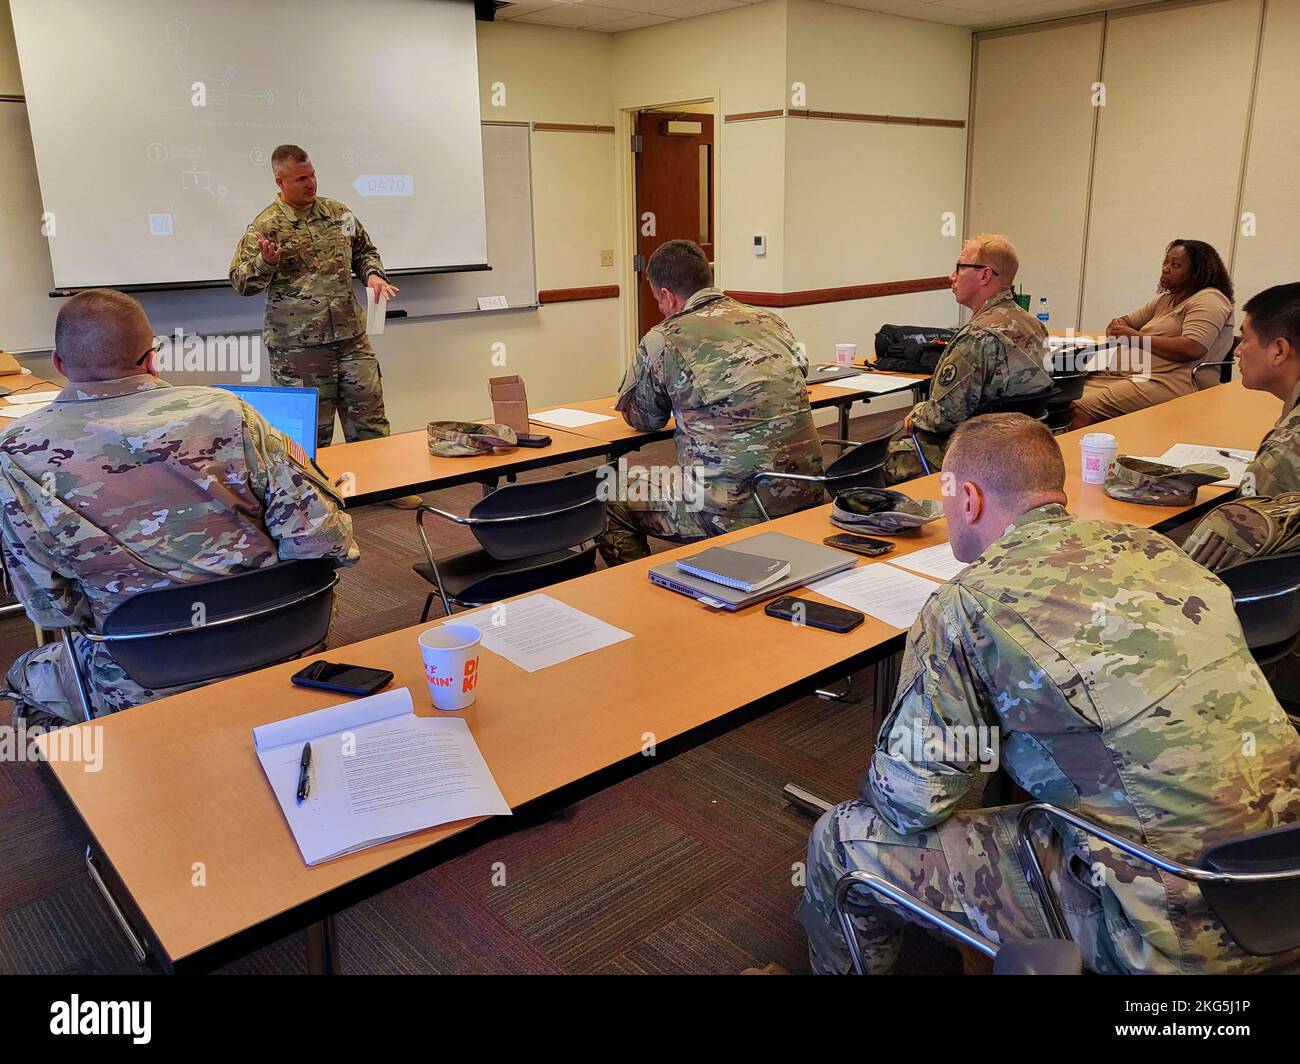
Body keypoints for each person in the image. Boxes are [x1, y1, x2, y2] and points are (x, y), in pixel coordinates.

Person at [798, 413, 1300, 975]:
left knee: (840, 840)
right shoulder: (1154, 549)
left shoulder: (970, 605)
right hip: (1277, 877)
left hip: (1173, 928)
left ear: (969, 499)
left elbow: (911, 799)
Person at [0, 290, 359, 728]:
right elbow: (321, 539)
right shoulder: (229, 413)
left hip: (141, 670)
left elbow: (49, 609)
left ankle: (115, 780)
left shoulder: (15, 453)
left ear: (57, 364)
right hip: (285, 639)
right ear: (152, 359)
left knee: (24, 675)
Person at [596, 239, 823, 565]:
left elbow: (645, 419)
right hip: (807, 492)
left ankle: (639, 593)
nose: (661, 309)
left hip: (731, 508)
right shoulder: (772, 320)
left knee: (612, 494)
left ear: (666, 295)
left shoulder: (664, 339)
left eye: (658, 300)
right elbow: (801, 371)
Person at [229, 143, 421, 508]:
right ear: (280, 181)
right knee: (307, 431)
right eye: (301, 178)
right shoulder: (266, 225)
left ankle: (386, 486)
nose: (311, 183)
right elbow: (240, 282)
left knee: (369, 414)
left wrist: (373, 275)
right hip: (298, 346)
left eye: (313, 174)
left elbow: (366, 251)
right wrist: (266, 264)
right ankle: (311, 500)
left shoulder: (339, 213)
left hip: (351, 336)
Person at [882, 233, 1051, 484]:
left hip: (977, 453)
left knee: (870, 458)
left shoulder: (976, 337)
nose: (952, 276)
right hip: (1022, 450)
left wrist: (917, 412)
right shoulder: (1033, 324)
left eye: (959, 268)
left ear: (984, 275)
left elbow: (943, 416)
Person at [1071, 239, 1235, 428]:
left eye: (1176, 265)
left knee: (1079, 408)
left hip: (1172, 380)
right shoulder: (1166, 299)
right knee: (1065, 395)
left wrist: (1135, 337)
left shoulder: (1210, 300)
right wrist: (1118, 327)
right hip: (1130, 373)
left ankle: (1079, 456)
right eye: (1166, 263)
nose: (1166, 269)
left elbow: (1193, 348)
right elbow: (1126, 321)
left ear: (1196, 272)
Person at [1235, 282, 1300, 497]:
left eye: (1244, 339)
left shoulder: (1287, 451)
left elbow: (1236, 528)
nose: (1237, 351)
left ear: (1279, 350)